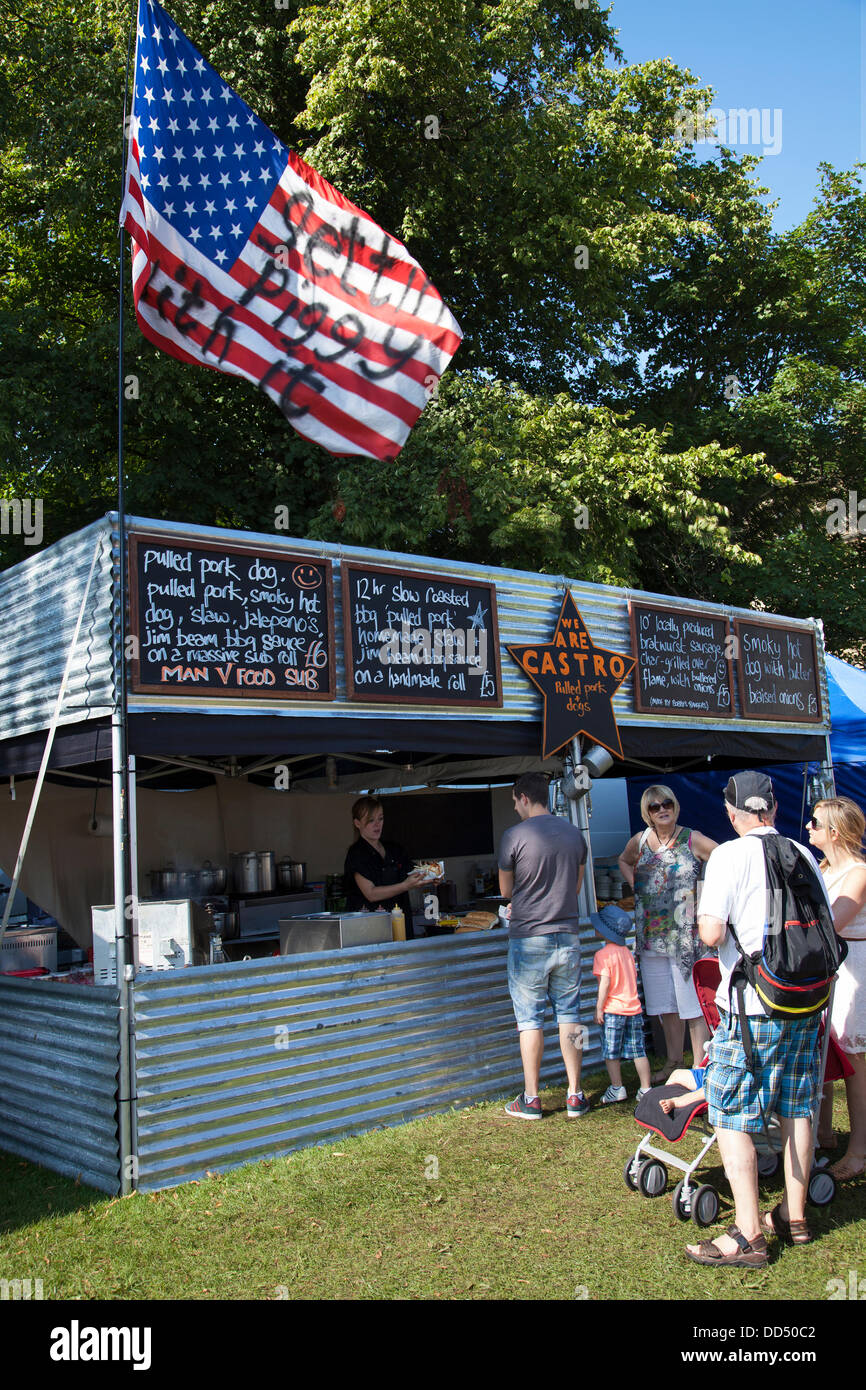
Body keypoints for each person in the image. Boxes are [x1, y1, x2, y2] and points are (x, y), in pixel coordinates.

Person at [685, 771, 833, 1266]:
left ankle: (748, 1234)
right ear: (773, 808)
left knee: (730, 1113)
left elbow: (711, 934)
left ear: (732, 814)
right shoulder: (803, 852)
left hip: (753, 1006)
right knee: (796, 1107)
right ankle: (795, 1216)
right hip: (806, 1001)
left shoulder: (727, 856)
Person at [498, 772, 588, 1119]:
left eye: (515, 801)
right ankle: (576, 1093)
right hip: (567, 935)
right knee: (571, 1016)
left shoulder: (514, 836)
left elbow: (506, 891)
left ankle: (532, 1098)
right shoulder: (575, 834)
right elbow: (576, 887)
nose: (515, 808)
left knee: (529, 1020)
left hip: (528, 938)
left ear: (523, 797)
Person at [618, 786, 717, 1082]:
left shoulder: (692, 838)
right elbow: (623, 860)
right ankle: (674, 1060)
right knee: (665, 1006)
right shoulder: (640, 841)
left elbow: (724, 857)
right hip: (651, 938)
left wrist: (706, 894)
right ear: (647, 812)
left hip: (686, 938)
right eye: (655, 806)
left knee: (692, 1004)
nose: (662, 809)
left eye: (667, 803)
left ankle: (699, 1066)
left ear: (675, 806)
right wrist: (635, 885)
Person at [809, 796, 866, 1181]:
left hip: (854, 968)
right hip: (829, 968)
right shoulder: (824, 868)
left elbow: (833, 925)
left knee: (854, 1062)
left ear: (834, 830)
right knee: (825, 1050)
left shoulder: (858, 873)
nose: (808, 827)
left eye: (815, 822)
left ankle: (859, 1152)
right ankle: (824, 1134)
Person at [590, 904, 652, 1103]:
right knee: (638, 1050)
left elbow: (605, 984)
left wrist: (599, 1008)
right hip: (633, 1009)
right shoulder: (627, 952)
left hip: (613, 1011)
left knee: (611, 1052)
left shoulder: (602, 955)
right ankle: (646, 1088)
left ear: (605, 929)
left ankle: (617, 1088)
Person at [343, 796, 426, 937]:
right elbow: (371, 893)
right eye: (371, 820)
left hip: (401, 925)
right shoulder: (357, 854)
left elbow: (414, 872)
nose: (377, 825)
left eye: (380, 819)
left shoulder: (394, 849)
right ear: (357, 823)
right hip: (370, 929)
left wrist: (430, 876)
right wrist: (405, 886)